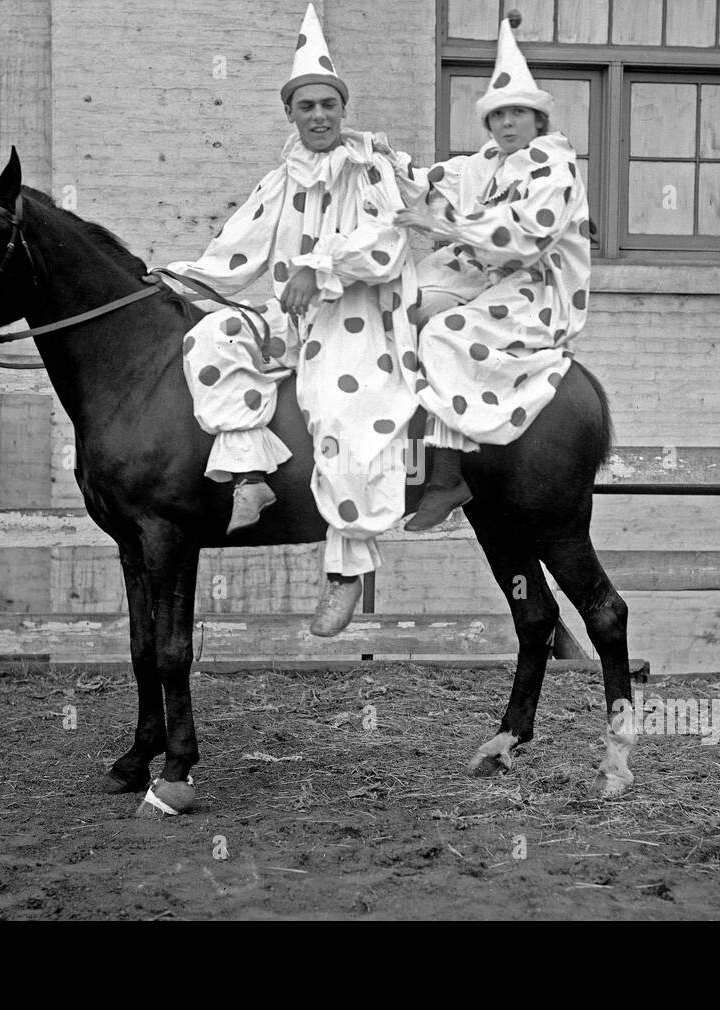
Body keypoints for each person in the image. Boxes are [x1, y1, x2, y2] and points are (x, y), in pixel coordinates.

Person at [162, 4, 425, 636]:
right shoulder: (279, 181)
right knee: (211, 336)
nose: (318, 116)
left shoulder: (371, 171)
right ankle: (249, 469)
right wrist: (175, 278)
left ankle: (344, 568)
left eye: (327, 105)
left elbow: (389, 246)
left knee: (338, 410)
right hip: (293, 324)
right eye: (305, 106)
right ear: (290, 114)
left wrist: (318, 263)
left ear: (342, 110)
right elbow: (234, 251)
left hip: (359, 324)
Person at [390, 12, 594, 531]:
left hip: (536, 288)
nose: (507, 124)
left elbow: (526, 235)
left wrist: (447, 222)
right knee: (396, 309)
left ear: (538, 121)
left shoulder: (555, 167)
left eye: (518, 114)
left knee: (442, 334)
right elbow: (422, 180)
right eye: (498, 116)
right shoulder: (482, 164)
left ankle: (447, 474)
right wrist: (367, 155)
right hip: (478, 277)